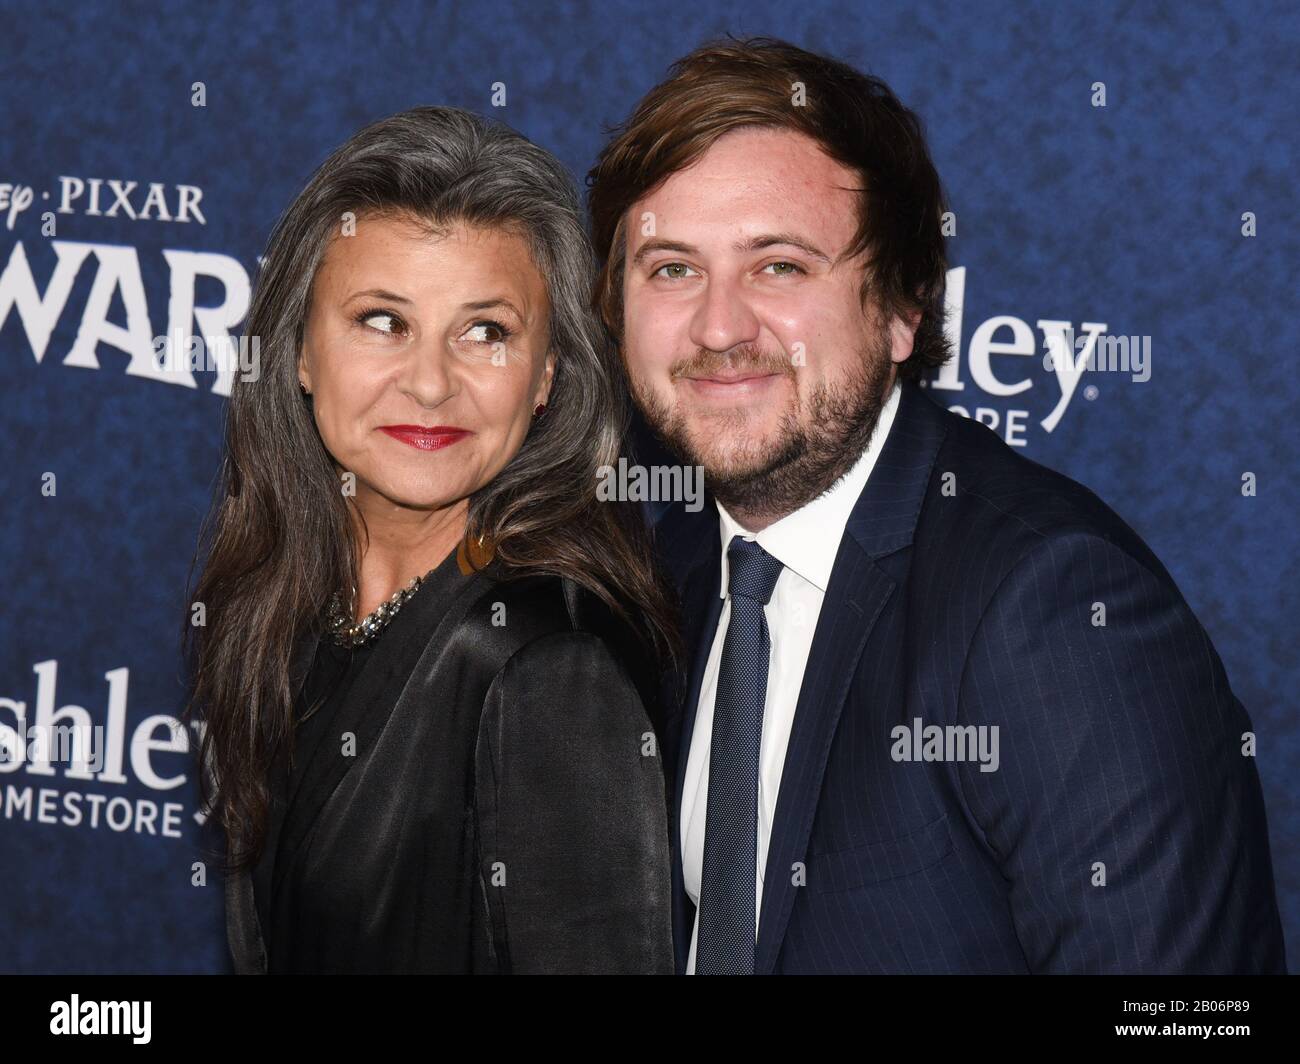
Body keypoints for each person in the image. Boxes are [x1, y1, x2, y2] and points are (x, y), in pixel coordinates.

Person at [586, 36, 1287, 974]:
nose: (720, 326)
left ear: (903, 309)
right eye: (672, 268)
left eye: (780, 266)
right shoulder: (662, 572)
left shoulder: (1054, 611)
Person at [186, 106, 676, 974]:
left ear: (546, 378)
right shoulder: (283, 604)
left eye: (486, 332)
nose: (429, 383)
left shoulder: (551, 666)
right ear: (300, 351)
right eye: (383, 320)